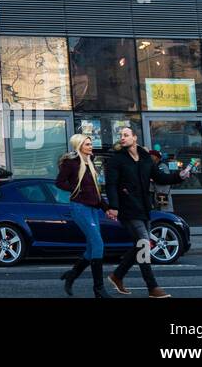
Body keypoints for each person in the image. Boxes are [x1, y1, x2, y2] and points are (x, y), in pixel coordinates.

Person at [103, 126, 191, 298]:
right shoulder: (116, 160)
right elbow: (111, 185)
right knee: (144, 243)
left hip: (143, 208)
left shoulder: (145, 158)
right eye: (121, 135)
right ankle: (152, 287)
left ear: (135, 138)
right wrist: (113, 206)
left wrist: (179, 176)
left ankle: (117, 275)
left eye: (126, 135)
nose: (123, 138)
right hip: (127, 209)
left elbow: (159, 178)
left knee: (140, 245)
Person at [55, 134, 109, 297]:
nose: (90, 146)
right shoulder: (71, 163)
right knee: (99, 245)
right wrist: (76, 189)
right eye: (87, 144)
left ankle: (72, 275)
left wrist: (106, 208)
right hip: (80, 208)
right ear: (79, 146)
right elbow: (59, 182)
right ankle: (99, 289)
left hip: (93, 209)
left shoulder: (90, 162)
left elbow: (95, 192)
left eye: (91, 144)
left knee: (92, 248)